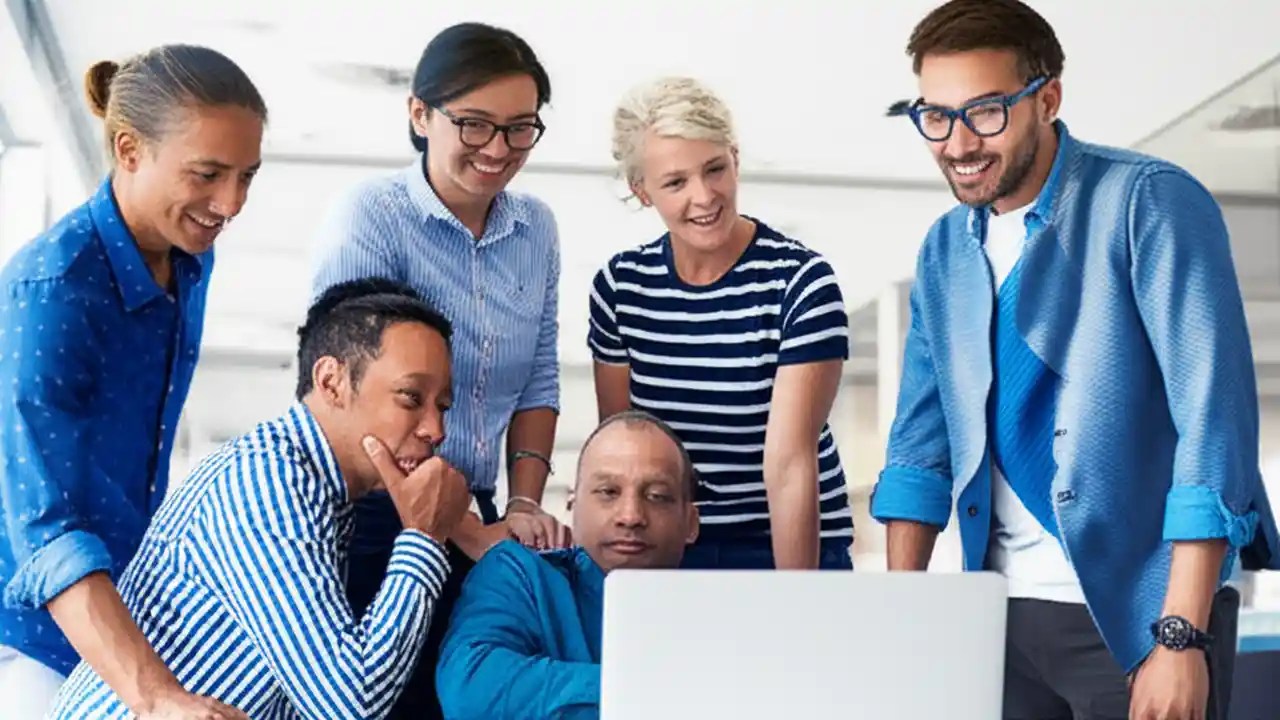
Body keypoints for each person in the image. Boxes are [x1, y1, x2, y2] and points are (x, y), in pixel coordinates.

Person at [871, 2, 1280, 719]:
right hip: (997, 618)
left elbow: (1213, 428)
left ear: (1047, 98)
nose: (958, 142)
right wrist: (900, 627)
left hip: (1138, 616)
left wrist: (1180, 637)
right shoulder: (944, 249)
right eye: (935, 116)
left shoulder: (1146, 203)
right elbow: (918, 450)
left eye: (986, 111)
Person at [49, 279, 473, 719]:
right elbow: (350, 705)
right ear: (331, 382)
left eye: (442, 406)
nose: (435, 430)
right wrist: (424, 536)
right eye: (411, 397)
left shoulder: (320, 490)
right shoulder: (270, 483)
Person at [310, 22, 569, 717]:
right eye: (476, 125)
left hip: (474, 509)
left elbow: (540, 379)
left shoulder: (536, 230)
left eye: (521, 129)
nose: (499, 150)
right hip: (368, 512)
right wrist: (468, 534)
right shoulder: (372, 217)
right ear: (419, 114)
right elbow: (356, 407)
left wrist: (520, 504)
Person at [0, 45, 266, 719]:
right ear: (128, 150)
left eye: (246, 177)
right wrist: (153, 696)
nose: (229, 203)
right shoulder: (54, 291)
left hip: (120, 618)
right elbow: (47, 527)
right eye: (207, 174)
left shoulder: (187, 262)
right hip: (23, 637)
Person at [588, 76, 853, 571]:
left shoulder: (801, 282)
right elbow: (622, 447)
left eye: (715, 169)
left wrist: (798, 599)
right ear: (642, 191)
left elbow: (790, 464)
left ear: (735, 158)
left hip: (787, 541)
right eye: (675, 182)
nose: (705, 196)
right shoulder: (620, 288)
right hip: (668, 546)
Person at [436, 409, 700, 720]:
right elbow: (469, 691)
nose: (630, 516)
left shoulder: (725, 611)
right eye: (608, 492)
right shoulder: (519, 573)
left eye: (656, 496)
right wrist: (654, 692)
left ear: (691, 522)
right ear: (572, 503)